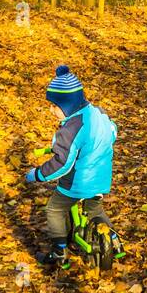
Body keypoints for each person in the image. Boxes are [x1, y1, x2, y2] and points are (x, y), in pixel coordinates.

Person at [26, 65, 124, 266]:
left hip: (78, 183)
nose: (50, 110)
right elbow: (113, 131)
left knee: (54, 210)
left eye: (54, 106)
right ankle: (114, 240)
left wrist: (38, 174)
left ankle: (59, 251)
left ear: (68, 105)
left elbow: (62, 163)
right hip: (102, 178)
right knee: (95, 211)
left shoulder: (71, 128)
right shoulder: (99, 113)